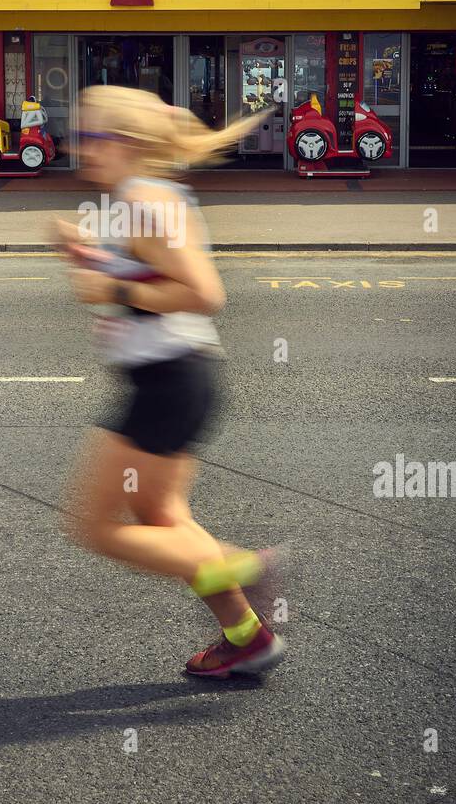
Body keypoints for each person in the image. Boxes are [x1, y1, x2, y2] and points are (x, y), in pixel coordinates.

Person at [57, 85, 286, 679]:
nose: (77, 147)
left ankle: (239, 566)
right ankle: (247, 638)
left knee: (95, 527)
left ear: (125, 143)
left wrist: (110, 287)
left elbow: (204, 294)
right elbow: (152, 275)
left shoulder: (143, 202)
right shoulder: (145, 197)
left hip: (168, 381)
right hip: (174, 377)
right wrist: (90, 259)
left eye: (89, 136)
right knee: (163, 520)